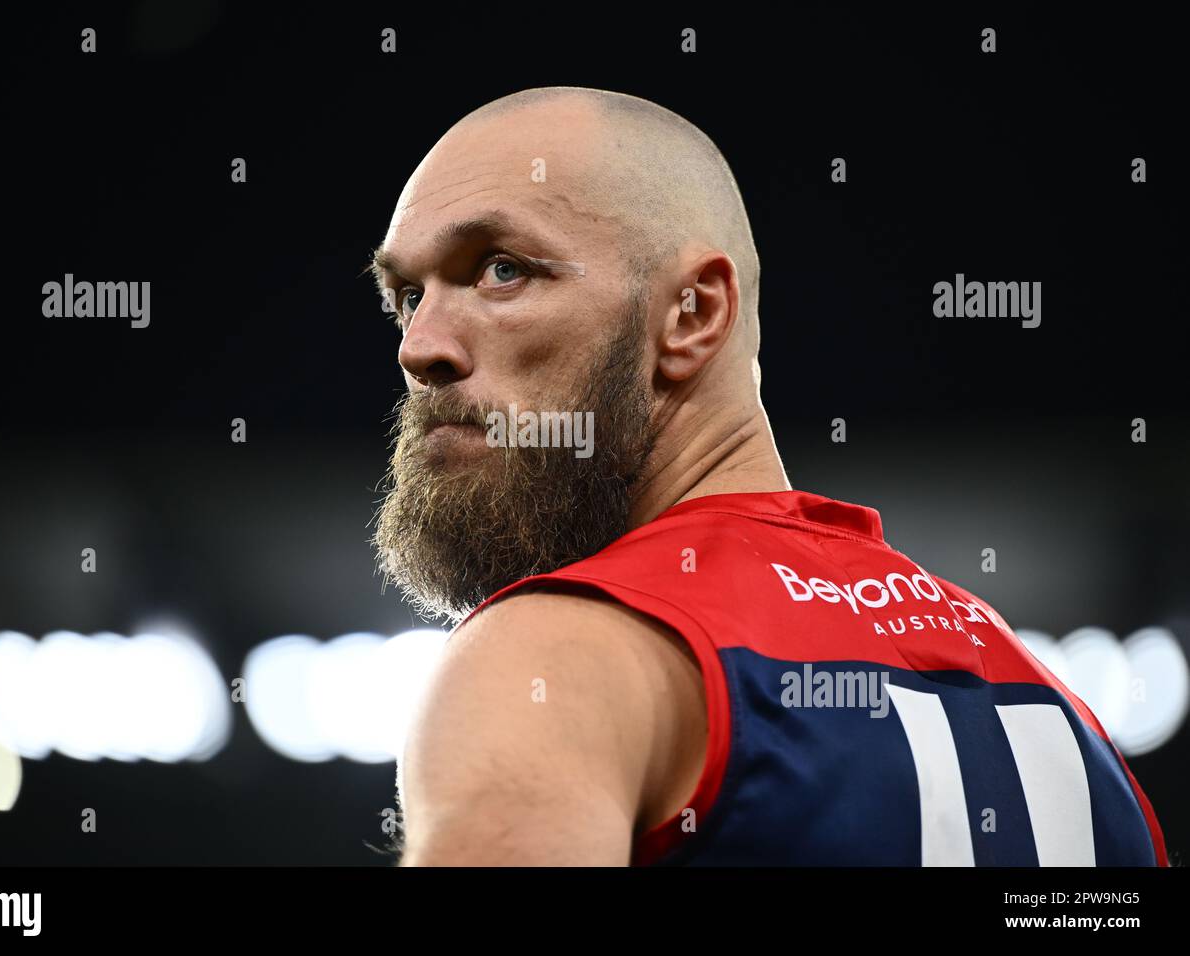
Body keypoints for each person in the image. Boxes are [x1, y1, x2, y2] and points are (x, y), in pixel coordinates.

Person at [368, 86, 1168, 866]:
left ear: (692, 314)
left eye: (501, 269)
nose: (419, 347)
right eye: (406, 296)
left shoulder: (551, 660)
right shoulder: (1075, 735)